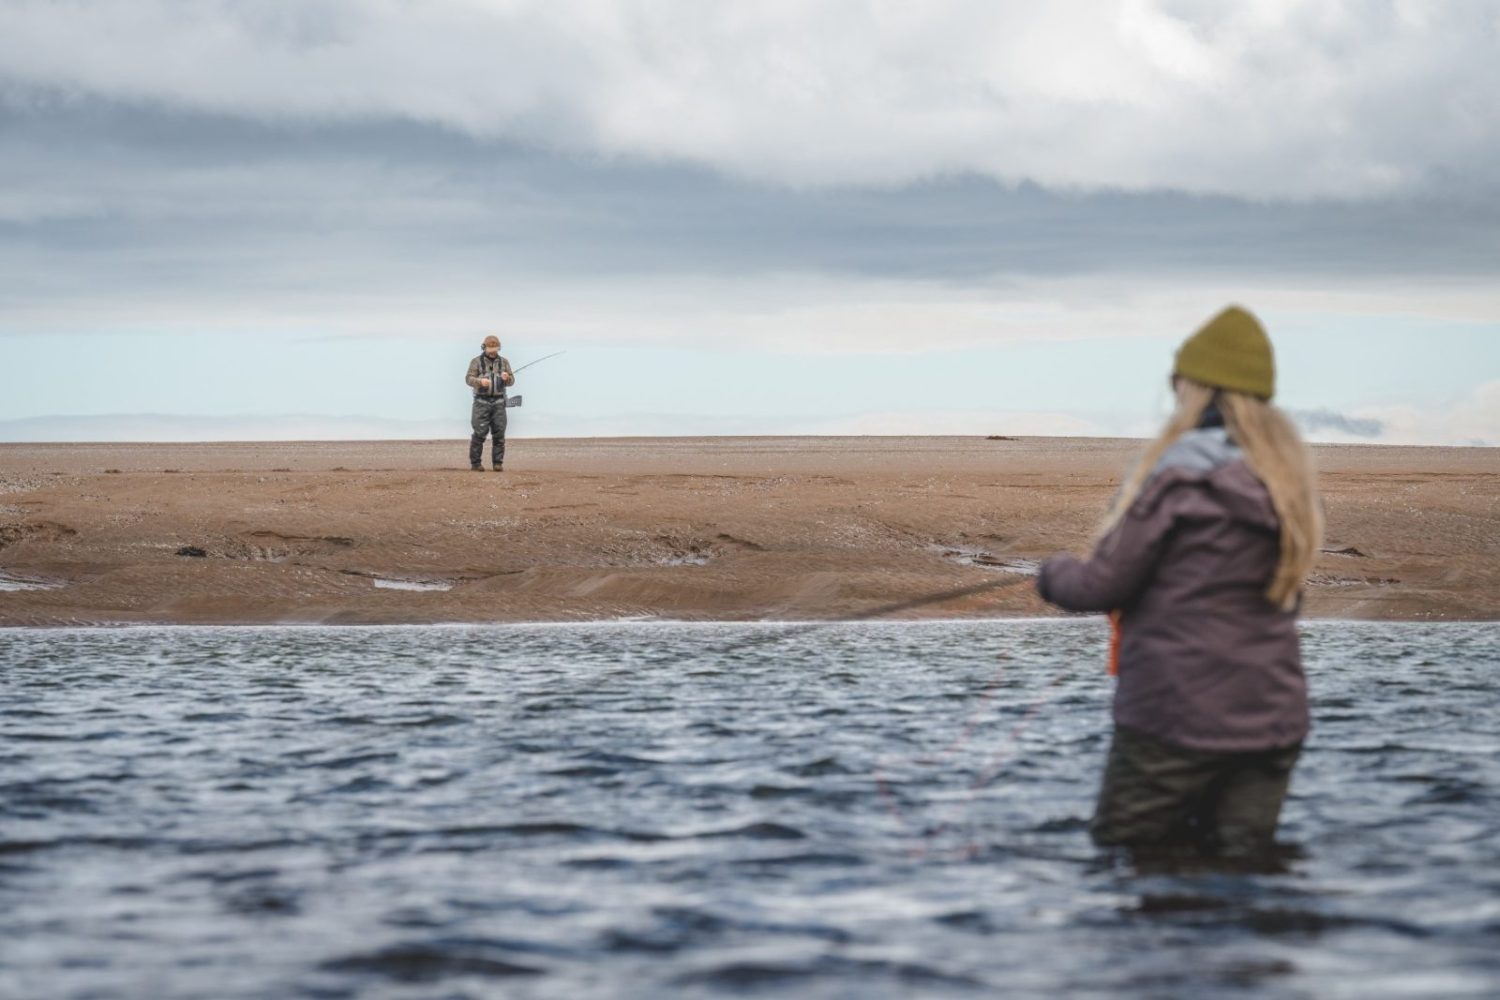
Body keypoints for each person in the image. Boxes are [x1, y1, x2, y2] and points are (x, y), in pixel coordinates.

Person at [1035, 305, 1322, 861]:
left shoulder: (1175, 477)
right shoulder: (1288, 486)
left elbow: (1100, 586)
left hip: (1173, 717)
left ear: (1193, 390)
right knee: (1246, 869)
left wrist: (1050, 574)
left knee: (1128, 857)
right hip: (1273, 722)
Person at [465, 335, 514, 471]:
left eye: (495, 348)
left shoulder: (504, 362)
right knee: (479, 433)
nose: (492, 351)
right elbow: (468, 379)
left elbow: (512, 381)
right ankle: (476, 464)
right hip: (481, 402)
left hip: (499, 403)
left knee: (499, 434)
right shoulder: (476, 362)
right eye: (490, 348)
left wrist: (507, 378)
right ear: (484, 347)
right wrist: (480, 381)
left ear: (499, 348)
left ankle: (498, 464)